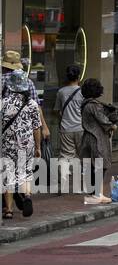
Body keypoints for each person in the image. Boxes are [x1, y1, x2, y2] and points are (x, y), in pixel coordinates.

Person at [1, 51, 45, 219]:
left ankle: (9, 209)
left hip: (7, 142)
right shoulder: (32, 103)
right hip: (26, 143)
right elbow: (36, 127)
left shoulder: (3, 103)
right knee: (25, 172)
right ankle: (27, 196)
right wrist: (38, 147)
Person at [78, 79, 117, 205]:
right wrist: (112, 126)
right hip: (97, 138)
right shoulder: (93, 105)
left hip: (88, 137)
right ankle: (97, 195)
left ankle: (93, 193)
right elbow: (103, 120)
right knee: (100, 165)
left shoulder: (85, 104)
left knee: (92, 166)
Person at [55, 65, 85, 184]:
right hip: (81, 128)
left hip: (66, 128)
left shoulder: (61, 92)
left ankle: (63, 178)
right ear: (78, 77)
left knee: (65, 155)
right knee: (82, 155)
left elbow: (57, 110)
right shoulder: (83, 92)